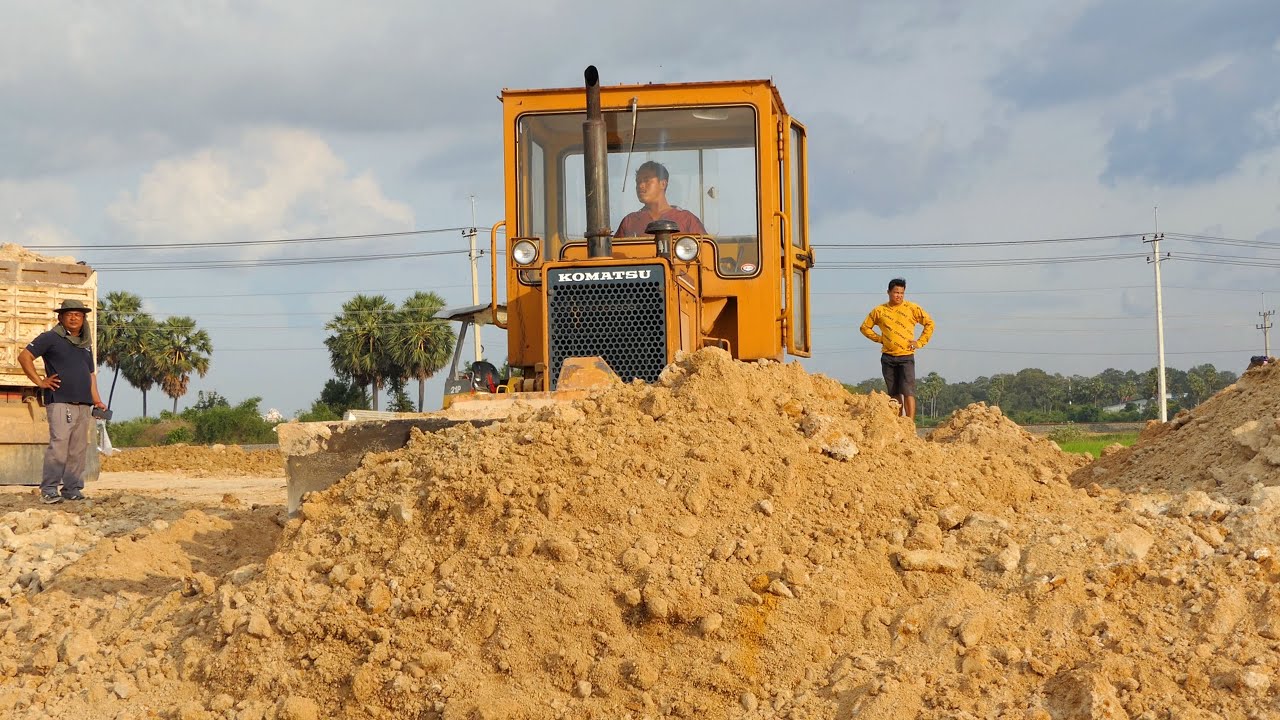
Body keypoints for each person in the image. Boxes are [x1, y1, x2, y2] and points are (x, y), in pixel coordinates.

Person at [17, 299, 107, 504]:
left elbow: (90, 375)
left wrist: (97, 400)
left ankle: (72, 488)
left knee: (79, 447)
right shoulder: (50, 338)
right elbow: (24, 357)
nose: (74, 317)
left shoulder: (86, 345)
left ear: (84, 319)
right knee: (59, 445)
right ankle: (49, 489)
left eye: (78, 314)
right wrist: (40, 381)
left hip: (84, 404)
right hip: (60, 401)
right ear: (60, 318)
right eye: (69, 314)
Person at [860, 278, 934, 421]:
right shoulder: (879, 311)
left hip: (906, 356)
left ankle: (909, 425)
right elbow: (864, 328)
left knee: (908, 392)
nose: (898, 295)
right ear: (888, 292)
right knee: (893, 393)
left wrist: (920, 342)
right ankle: (898, 422)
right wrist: (880, 338)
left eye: (901, 293)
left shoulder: (912, 308)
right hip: (888, 357)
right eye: (896, 292)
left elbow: (929, 324)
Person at [615, 161, 707, 237]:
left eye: (646, 180)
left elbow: (705, 253)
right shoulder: (629, 221)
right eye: (638, 182)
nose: (640, 186)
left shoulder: (686, 219)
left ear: (663, 184)